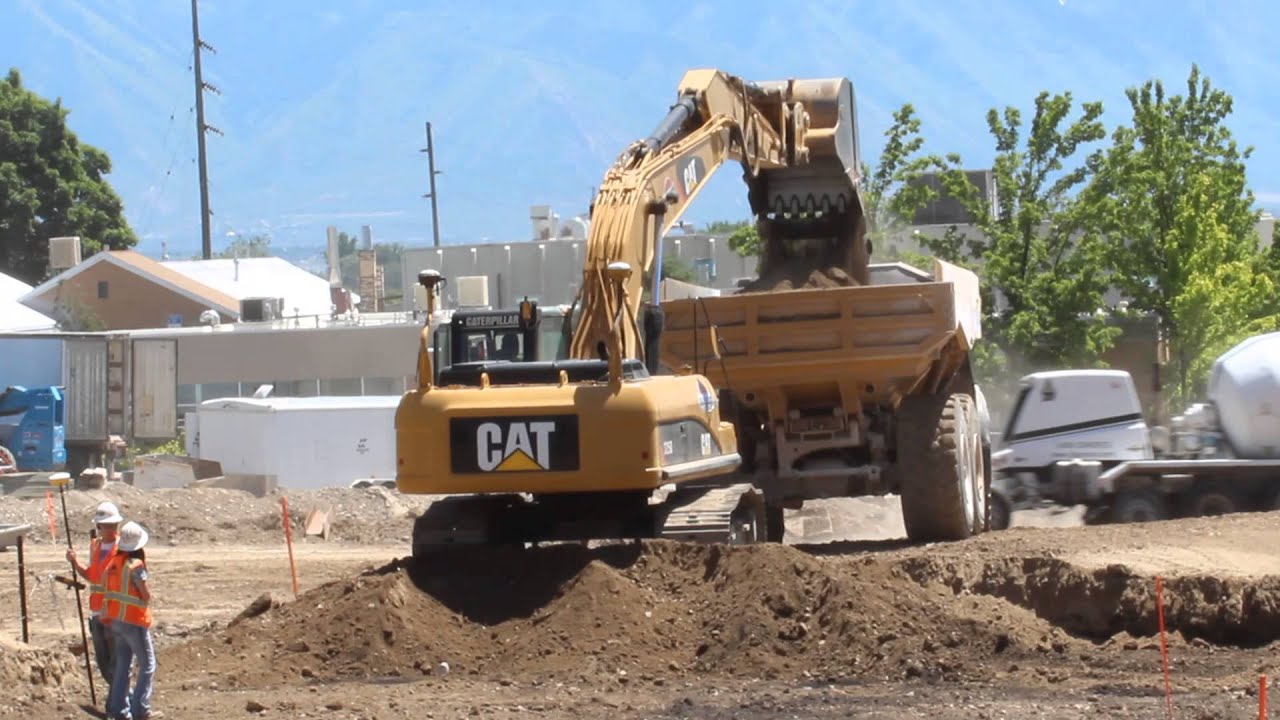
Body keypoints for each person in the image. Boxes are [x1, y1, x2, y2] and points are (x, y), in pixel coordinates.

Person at [66, 500, 123, 685]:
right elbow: (92, 576)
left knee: (118, 662)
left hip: (115, 614)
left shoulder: (122, 548)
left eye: (113, 525)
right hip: (97, 612)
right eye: (106, 525)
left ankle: (121, 703)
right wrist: (75, 563)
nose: (110, 529)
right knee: (103, 662)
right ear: (99, 526)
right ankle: (118, 699)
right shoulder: (96, 547)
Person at [103, 521, 156, 720]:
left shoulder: (113, 564)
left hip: (116, 620)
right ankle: (140, 708)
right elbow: (145, 595)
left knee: (123, 665)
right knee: (147, 664)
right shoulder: (136, 566)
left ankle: (118, 710)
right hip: (134, 620)